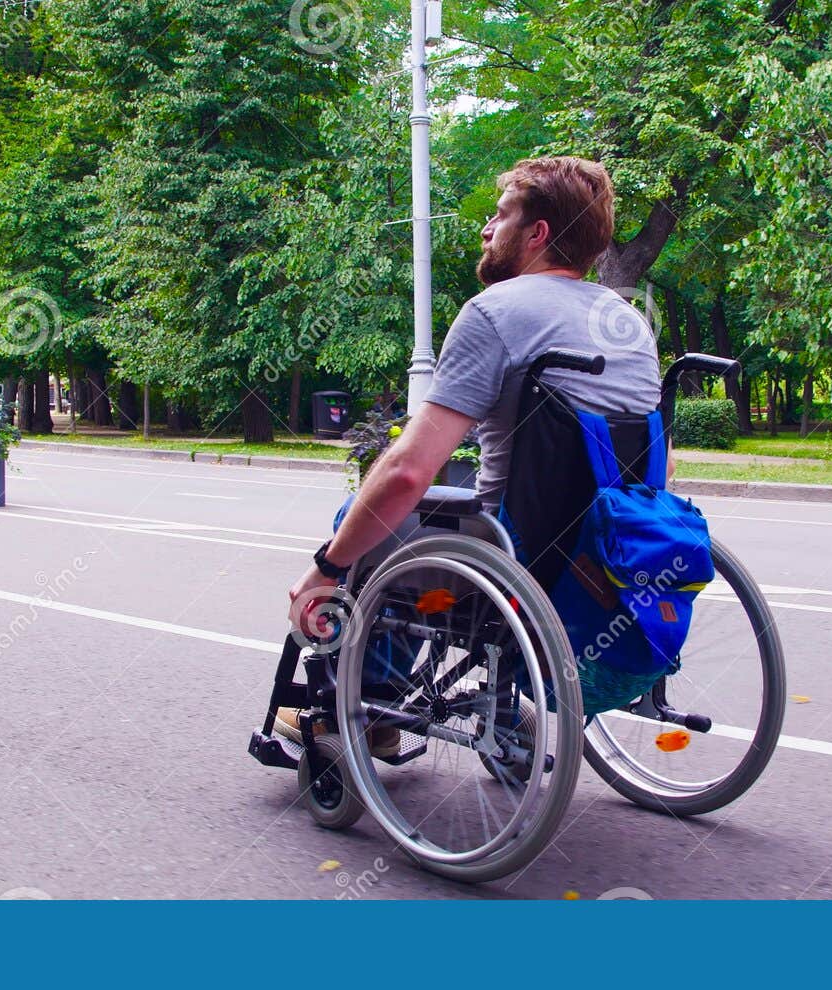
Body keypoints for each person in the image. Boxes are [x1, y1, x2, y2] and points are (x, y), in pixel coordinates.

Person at [278, 156, 661, 754]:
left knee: (365, 519)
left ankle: (364, 713)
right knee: (426, 522)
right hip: (604, 556)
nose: (486, 228)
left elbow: (408, 470)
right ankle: (501, 712)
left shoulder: (496, 314)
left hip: (509, 552)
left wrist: (324, 570)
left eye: (500, 214)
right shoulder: (626, 321)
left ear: (537, 234)